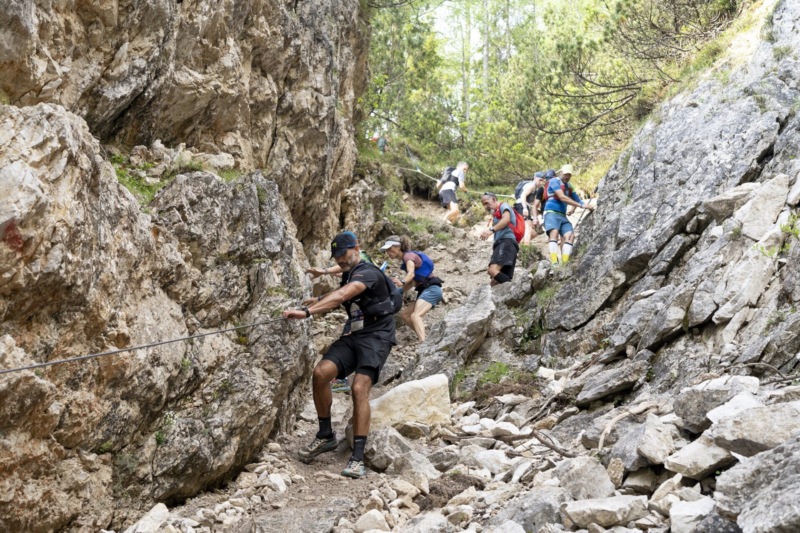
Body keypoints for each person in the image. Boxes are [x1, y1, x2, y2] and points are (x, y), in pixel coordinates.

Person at [284, 232, 397, 478]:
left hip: (377, 335)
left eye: (344, 254)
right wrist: (318, 299)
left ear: (357, 248)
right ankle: (325, 435)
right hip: (354, 334)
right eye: (336, 256)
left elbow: (344, 295)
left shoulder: (368, 271)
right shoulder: (349, 273)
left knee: (359, 388)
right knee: (321, 372)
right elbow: (343, 292)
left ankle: (357, 458)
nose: (341, 260)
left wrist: (308, 312)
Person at [380, 236, 443, 342]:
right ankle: (426, 340)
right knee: (405, 315)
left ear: (398, 247)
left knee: (415, 316)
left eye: (390, 249)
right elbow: (412, 283)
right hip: (425, 290)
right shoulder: (406, 260)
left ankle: (424, 344)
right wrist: (399, 291)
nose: (388, 252)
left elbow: (411, 273)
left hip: (432, 289)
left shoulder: (408, 257)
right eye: (386, 250)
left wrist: (402, 281)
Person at [543, 164, 594, 265]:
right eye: (565, 174)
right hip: (551, 213)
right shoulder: (554, 181)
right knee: (554, 233)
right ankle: (554, 262)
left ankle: (564, 263)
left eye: (569, 175)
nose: (567, 177)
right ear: (561, 172)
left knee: (570, 236)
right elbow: (562, 197)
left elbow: (578, 200)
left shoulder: (570, 187)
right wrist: (581, 206)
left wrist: (586, 206)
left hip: (562, 215)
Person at [479, 192, 519, 285]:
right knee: (495, 282)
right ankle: (514, 293)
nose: (486, 206)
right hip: (508, 245)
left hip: (506, 242)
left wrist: (491, 231)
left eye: (486, 203)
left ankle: (514, 289)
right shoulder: (496, 213)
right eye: (483, 205)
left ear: (493, 199)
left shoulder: (503, 206)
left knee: (492, 270)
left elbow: (506, 219)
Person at [514, 172, 546, 245]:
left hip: (520, 205)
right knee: (528, 227)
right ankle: (526, 246)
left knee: (527, 227)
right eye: (540, 180)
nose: (541, 183)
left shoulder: (534, 188)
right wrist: (525, 208)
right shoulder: (531, 185)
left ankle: (522, 244)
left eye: (542, 181)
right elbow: (523, 195)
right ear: (535, 178)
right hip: (522, 206)